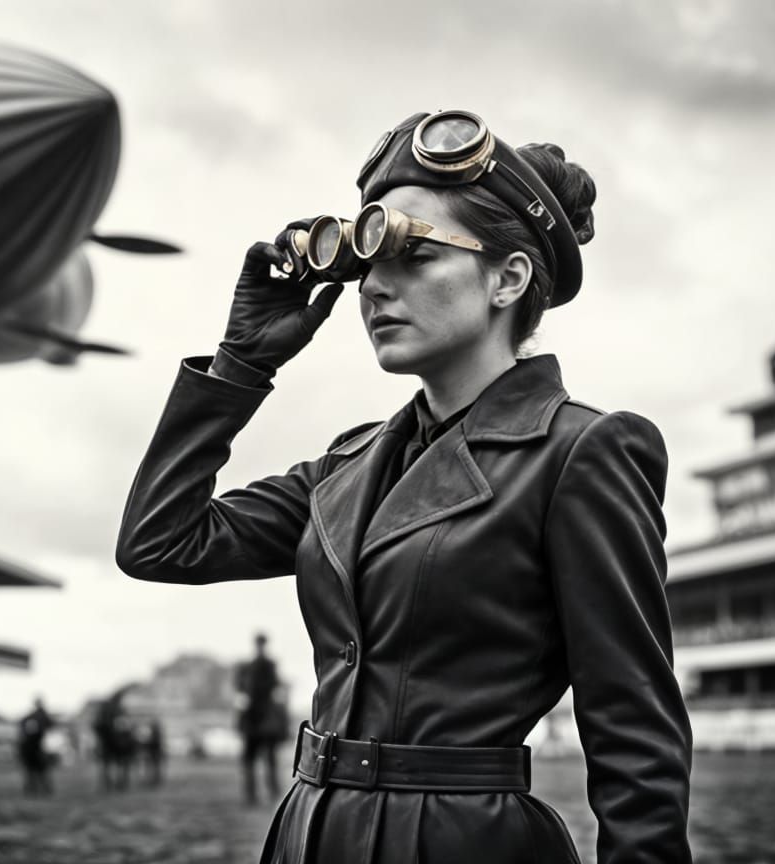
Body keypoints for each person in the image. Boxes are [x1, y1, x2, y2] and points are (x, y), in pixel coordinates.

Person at [117, 109, 692, 863]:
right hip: (307, 837)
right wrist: (239, 365)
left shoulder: (580, 451)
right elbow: (160, 543)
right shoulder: (346, 466)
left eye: (413, 254)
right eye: (365, 263)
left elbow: (633, 729)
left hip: (463, 844)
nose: (375, 288)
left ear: (508, 278)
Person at [235, 632, 288, 804]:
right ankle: (252, 794)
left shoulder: (266, 665)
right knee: (252, 759)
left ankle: (271, 793)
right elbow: (241, 689)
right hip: (255, 718)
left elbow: (274, 687)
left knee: (268, 758)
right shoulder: (249, 667)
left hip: (263, 718)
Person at [17, 696, 54, 796]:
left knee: (32, 770)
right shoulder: (41, 716)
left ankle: (32, 789)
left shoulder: (31, 717)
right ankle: (42, 790)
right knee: (39, 770)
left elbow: (22, 725)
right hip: (34, 748)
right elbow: (51, 725)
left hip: (29, 747)